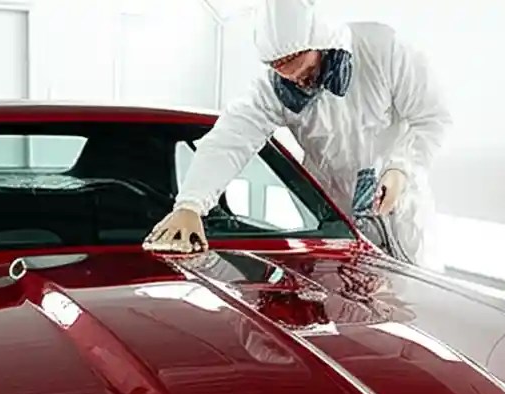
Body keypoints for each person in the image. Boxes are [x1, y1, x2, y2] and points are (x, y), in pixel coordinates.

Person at [143, 0, 453, 269]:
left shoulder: (382, 50)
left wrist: (401, 168)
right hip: (338, 223)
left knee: (413, 315)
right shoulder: (275, 92)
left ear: (318, 43)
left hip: (404, 215)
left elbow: (432, 116)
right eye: (283, 71)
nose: (297, 80)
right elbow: (231, 139)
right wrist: (190, 204)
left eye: (302, 67)